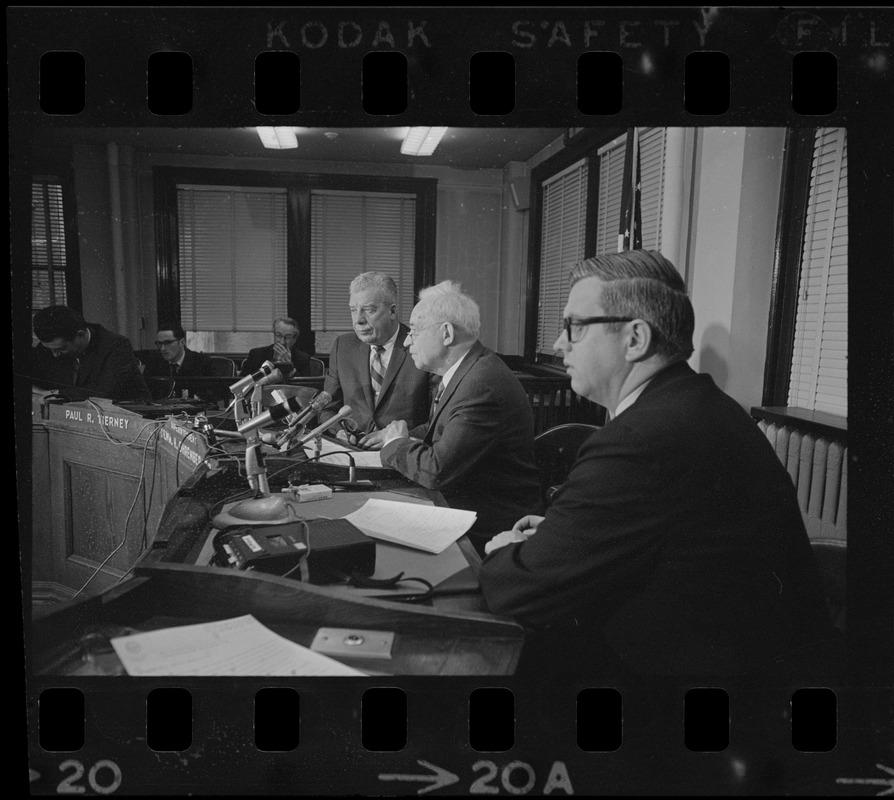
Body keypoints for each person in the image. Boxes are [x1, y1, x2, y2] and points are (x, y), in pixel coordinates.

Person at [478, 250, 837, 680]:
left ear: (635, 338)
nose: (558, 344)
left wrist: (509, 550)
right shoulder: (700, 404)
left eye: (574, 326)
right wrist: (568, 533)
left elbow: (517, 590)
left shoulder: (639, 439)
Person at [372, 280, 541, 555]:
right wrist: (401, 435)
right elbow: (444, 428)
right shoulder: (470, 370)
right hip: (463, 508)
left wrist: (395, 444)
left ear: (447, 333)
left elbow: (436, 470)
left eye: (414, 331)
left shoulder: (480, 384)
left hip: (487, 527)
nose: (406, 341)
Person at [321, 271, 432, 439]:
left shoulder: (422, 346)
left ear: (392, 311)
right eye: (353, 310)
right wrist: (340, 432)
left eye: (368, 310)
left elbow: (438, 421)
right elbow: (327, 409)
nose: (358, 320)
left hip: (402, 449)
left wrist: (395, 438)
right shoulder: (343, 347)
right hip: (352, 448)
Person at [32, 305, 150, 401]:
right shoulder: (48, 348)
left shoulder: (116, 346)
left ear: (80, 335)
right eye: (50, 349)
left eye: (61, 348)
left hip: (126, 415)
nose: (54, 354)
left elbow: (106, 392)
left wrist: (57, 393)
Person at [142, 322, 218, 400]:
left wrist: (195, 398)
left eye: (168, 343)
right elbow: (145, 392)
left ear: (182, 342)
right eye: (160, 344)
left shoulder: (201, 362)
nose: (163, 348)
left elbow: (214, 393)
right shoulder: (154, 362)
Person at [240, 316, 312, 379]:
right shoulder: (256, 354)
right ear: (274, 335)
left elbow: (306, 387)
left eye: (287, 337)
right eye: (278, 335)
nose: (282, 341)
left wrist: (290, 367)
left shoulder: (303, 358)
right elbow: (241, 383)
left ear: (294, 339)